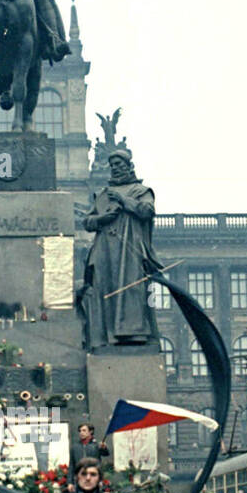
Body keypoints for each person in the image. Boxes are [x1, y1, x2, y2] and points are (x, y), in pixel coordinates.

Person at [77, 149, 162, 348]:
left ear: (129, 166)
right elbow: (87, 221)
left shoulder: (141, 191)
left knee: (131, 290)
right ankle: (104, 337)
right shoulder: (104, 195)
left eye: (119, 164)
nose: (115, 168)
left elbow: (147, 211)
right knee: (103, 290)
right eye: (112, 165)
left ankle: (131, 334)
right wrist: (102, 219)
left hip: (129, 251)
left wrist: (123, 201)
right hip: (105, 250)